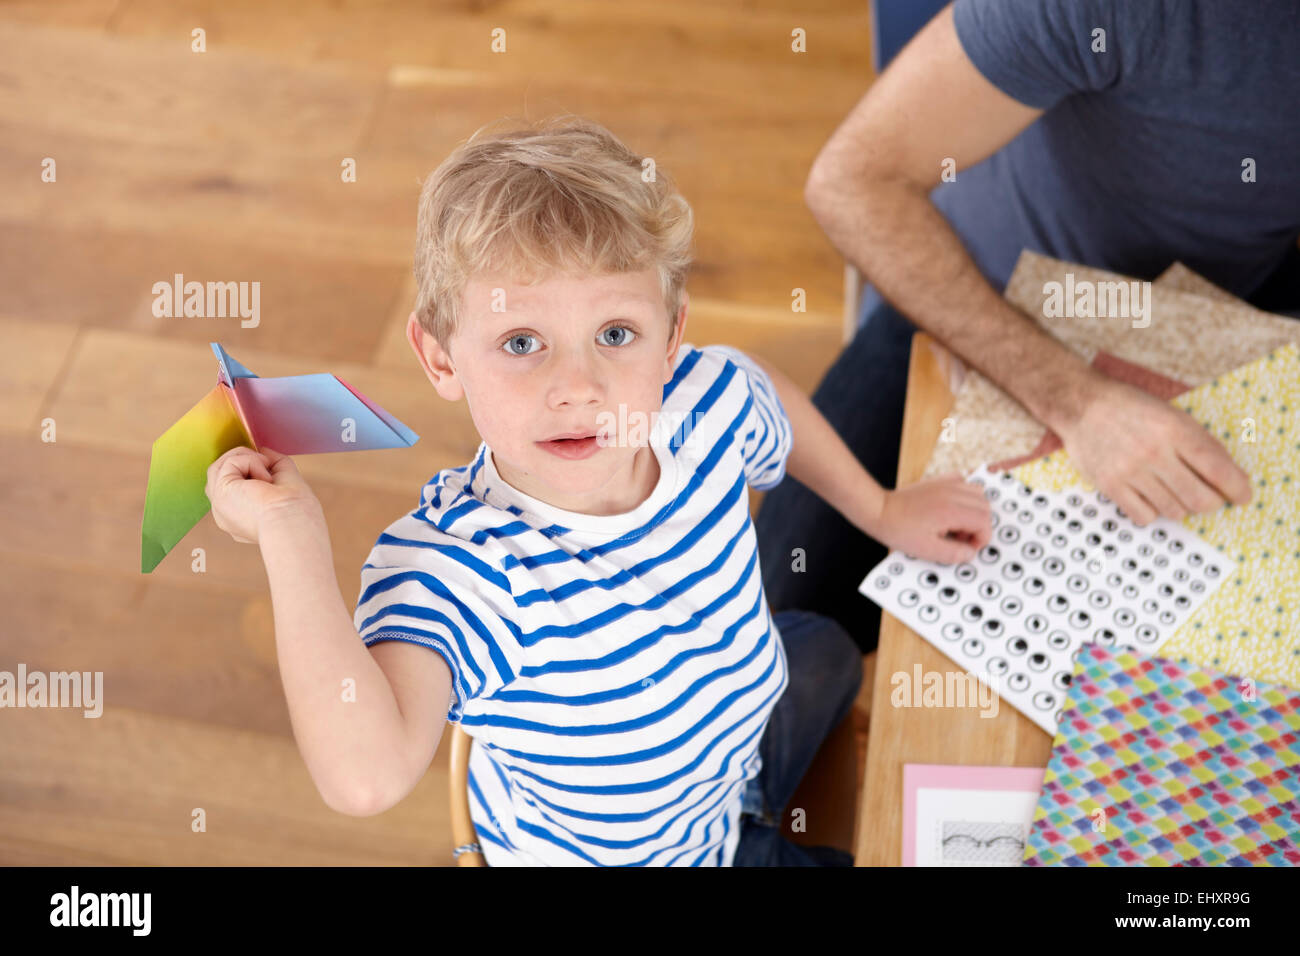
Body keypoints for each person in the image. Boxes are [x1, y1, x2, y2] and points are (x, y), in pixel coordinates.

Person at [202, 116, 992, 866]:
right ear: (441, 357)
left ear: (672, 335)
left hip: (729, 755)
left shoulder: (698, 403)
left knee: (822, 647)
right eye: (521, 343)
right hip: (663, 855)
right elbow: (363, 778)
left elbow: (760, 392)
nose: (578, 388)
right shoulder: (458, 573)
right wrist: (291, 533)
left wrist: (880, 508)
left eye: (615, 335)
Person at [756, 0, 1300, 654]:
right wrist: (1080, 403)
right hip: (980, 296)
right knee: (795, 589)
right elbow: (849, 184)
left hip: (1227, 311)